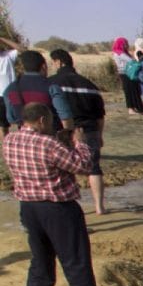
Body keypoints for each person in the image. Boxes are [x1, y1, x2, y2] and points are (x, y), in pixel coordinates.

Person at [2, 102, 109, 286]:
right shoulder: (48, 144)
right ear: (42, 120)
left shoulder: (9, 140)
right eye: (50, 119)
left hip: (29, 207)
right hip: (58, 207)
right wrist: (80, 143)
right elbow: (83, 166)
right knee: (75, 259)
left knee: (40, 259)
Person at [47, 50, 108, 214]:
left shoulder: (51, 83)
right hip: (89, 129)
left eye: (52, 62)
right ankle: (99, 207)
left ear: (58, 62)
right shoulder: (89, 85)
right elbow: (100, 115)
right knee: (94, 168)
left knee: (63, 169)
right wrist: (100, 135)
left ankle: (67, 206)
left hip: (62, 130)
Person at [4, 50, 58, 131]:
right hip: (48, 131)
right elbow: (64, 114)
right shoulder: (51, 86)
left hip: (23, 131)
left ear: (22, 67)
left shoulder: (11, 88)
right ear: (43, 66)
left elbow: (11, 118)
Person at [110, 37, 143, 114]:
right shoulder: (119, 53)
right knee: (129, 91)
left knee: (133, 90)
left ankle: (135, 107)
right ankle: (131, 108)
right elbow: (130, 60)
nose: (127, 45)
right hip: (125, 74)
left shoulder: (122, 53)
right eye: (125, 44)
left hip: (128, 73)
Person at [0, 34, 22, 140]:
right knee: (3, 126)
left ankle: (20, 144)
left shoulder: (8, 55)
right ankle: (5, 149)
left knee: (19, 122)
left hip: (13, 94)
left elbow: (21, 49)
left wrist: (2, 38)